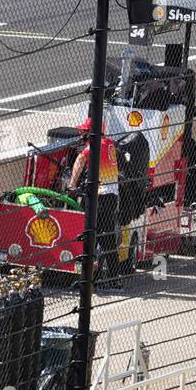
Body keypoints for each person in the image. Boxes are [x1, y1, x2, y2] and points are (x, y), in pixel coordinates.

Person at [69, 118, 123, 290]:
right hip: (111, 196)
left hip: (101, 197)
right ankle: (108, 278)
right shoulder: (109, 144)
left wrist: (71, 185)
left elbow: (79, 160)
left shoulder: (95, 145)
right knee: (105, 238)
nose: (82, 134)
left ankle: (94, 278)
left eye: (84, 131)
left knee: (95, 236)